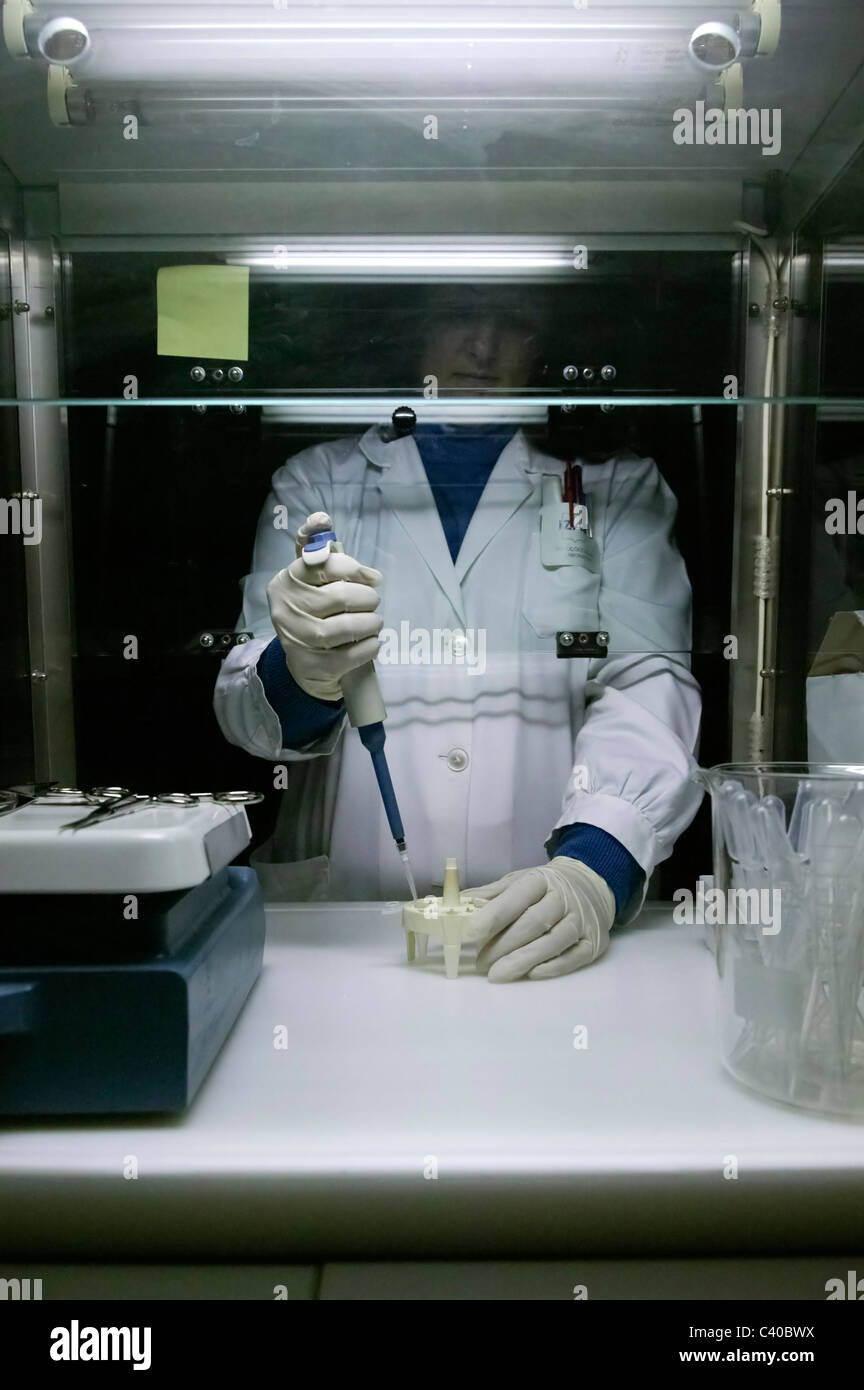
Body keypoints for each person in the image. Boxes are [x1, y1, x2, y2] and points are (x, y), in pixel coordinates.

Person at [214, 287, 702, 980]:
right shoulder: (320, 482)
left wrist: (596, 863)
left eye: (515, 322)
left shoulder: (611, 487)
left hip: (540, 925)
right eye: (458, 317)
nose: (483, 345)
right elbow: (249, 715)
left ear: (543, 344)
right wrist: (300, 674)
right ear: (413, 330)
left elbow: (646, 681)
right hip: (347, 929)